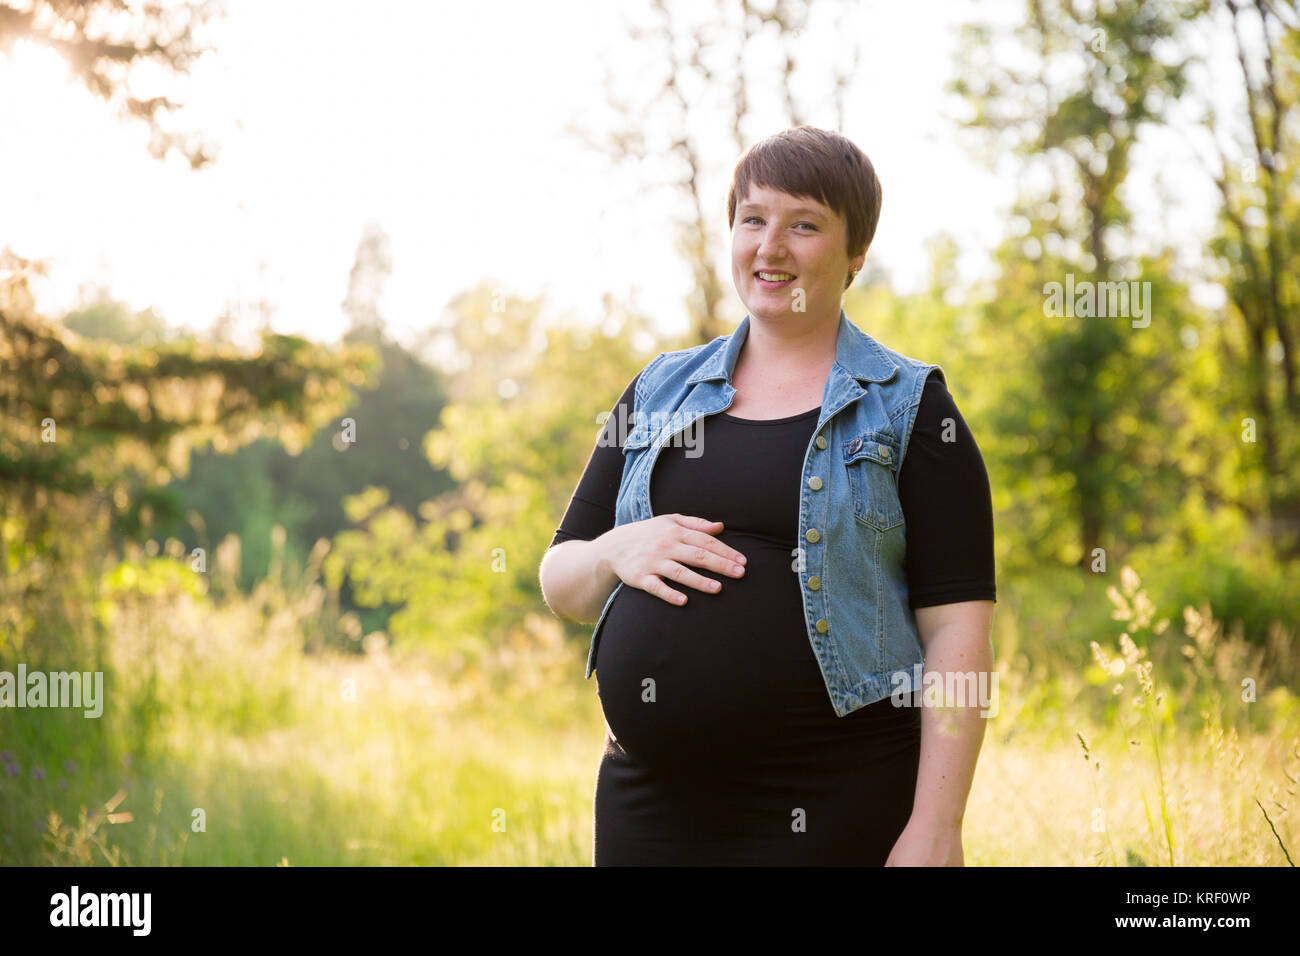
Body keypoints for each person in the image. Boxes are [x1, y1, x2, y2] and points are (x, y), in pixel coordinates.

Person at [539, 126, 996, 866]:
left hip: (834, 793)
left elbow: (958, 635)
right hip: (649, 804)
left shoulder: (912, 409)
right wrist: (616, 551)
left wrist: (937, 827)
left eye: (804, 225)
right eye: (753, 219)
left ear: (856, 255)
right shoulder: (657, 389)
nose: (771, 247)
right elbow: (561, 582)